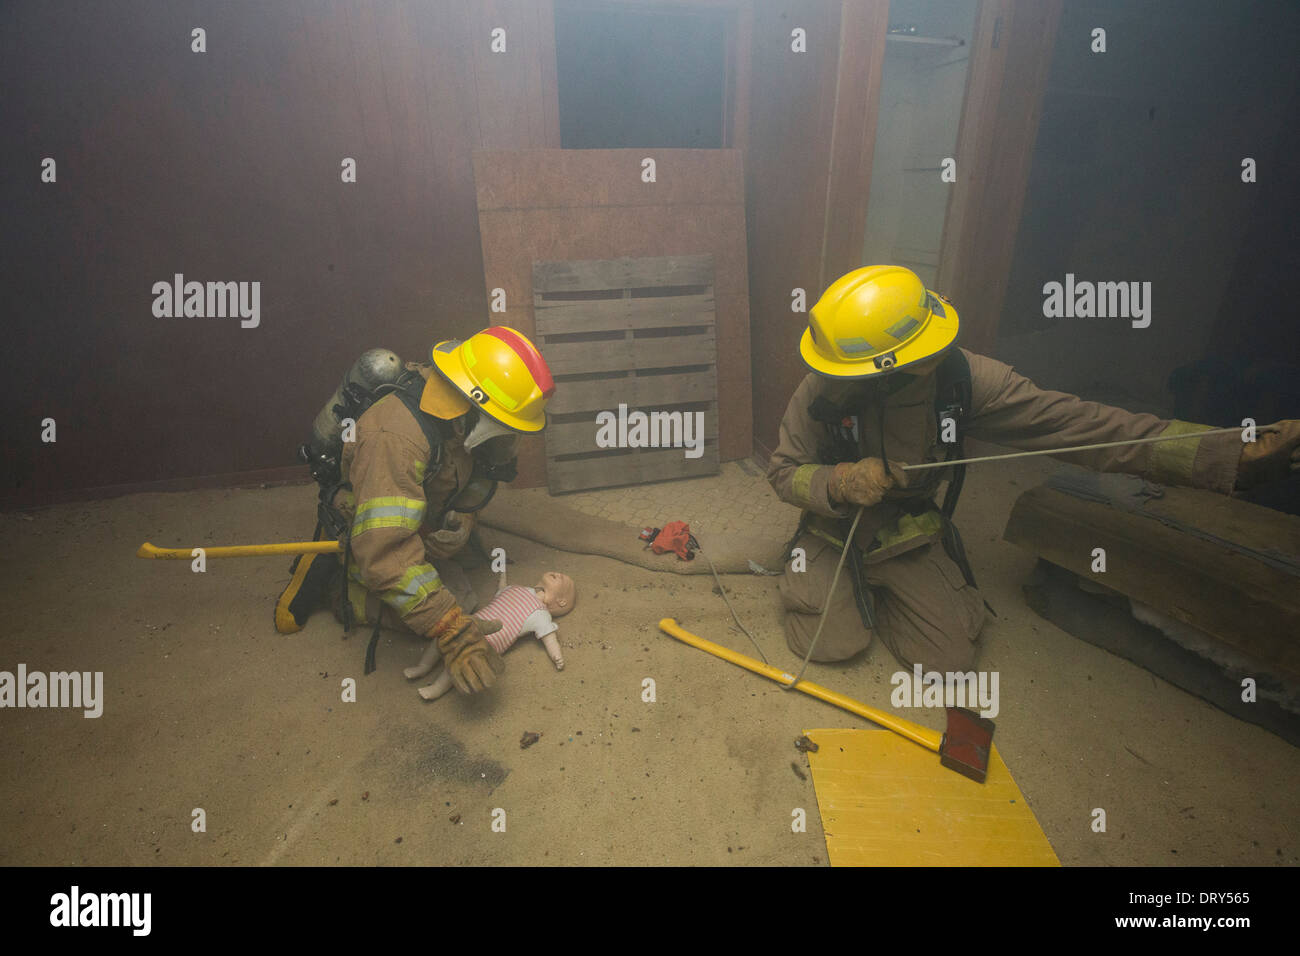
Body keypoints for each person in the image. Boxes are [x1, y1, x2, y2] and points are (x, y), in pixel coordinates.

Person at [767, 265, 1300, 674]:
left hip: (905, 533)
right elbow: (783, 470)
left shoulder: (966, 382)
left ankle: (884, 593)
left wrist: (1229, 452)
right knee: (831, 645)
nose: (936, 357)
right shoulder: (825, 381)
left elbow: (1087, 428)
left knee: (949, 662)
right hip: (832, 530)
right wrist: (838, 482)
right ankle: (829, 585)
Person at [289, 325, 556, 695]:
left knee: (458, 588)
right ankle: (343, 590)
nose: (507, 439)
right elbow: (386, 551)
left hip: (414, 504)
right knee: (458, 602)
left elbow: (479, 474)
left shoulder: (460, 413)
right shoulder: (395, 438)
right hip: (372, 525)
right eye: (503, 426)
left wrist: (464, 518)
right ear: (476, 400)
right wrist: (452, 629)